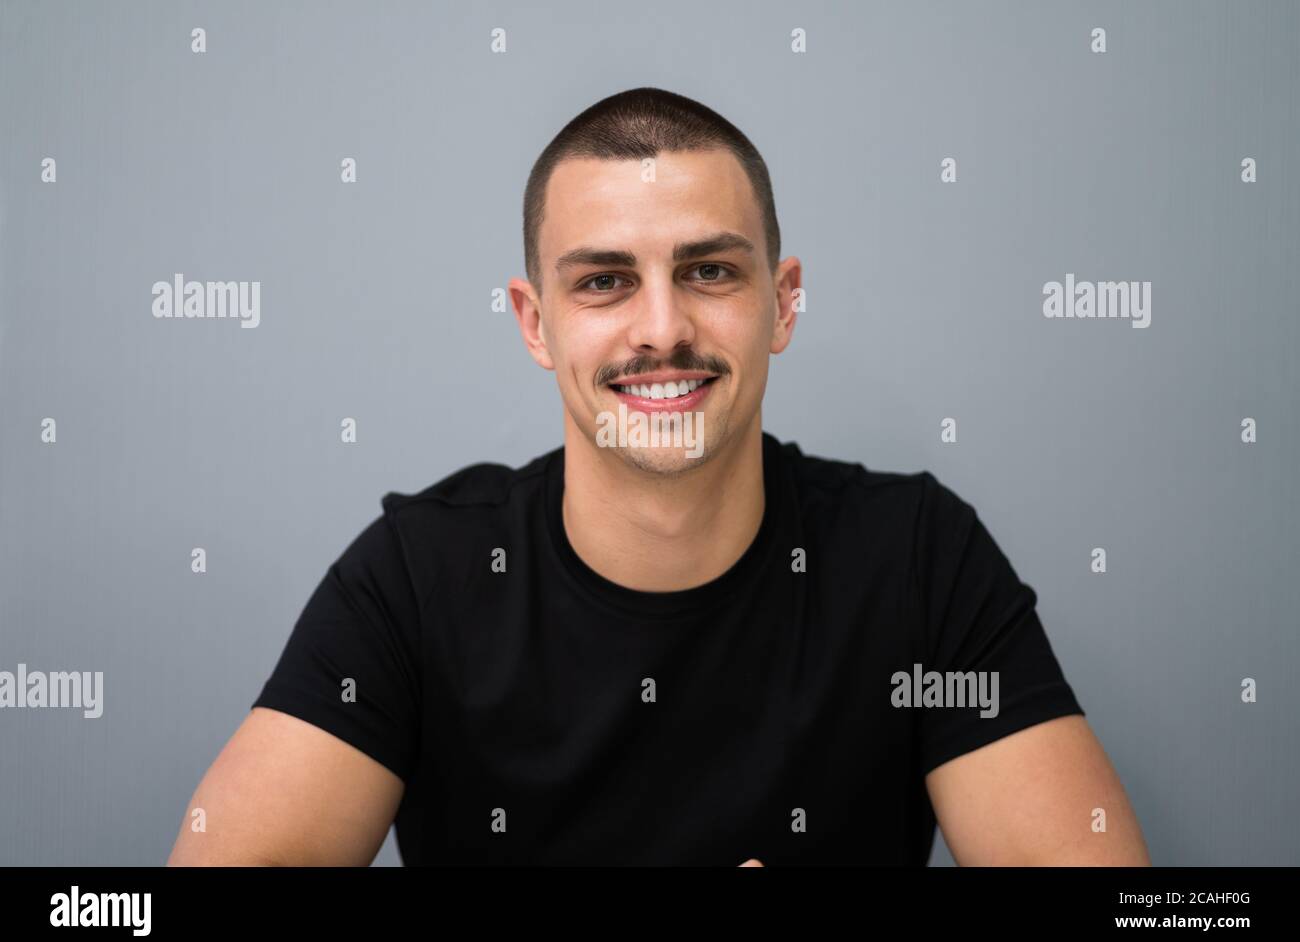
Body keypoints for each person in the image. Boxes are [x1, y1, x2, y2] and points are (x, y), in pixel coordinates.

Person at [168, 87, 1150, 866]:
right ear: (534, 321)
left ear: (783, 301)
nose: (661, 328)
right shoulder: (419, 574)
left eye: (710, 271)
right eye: (602, 280)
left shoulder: (916, 560)